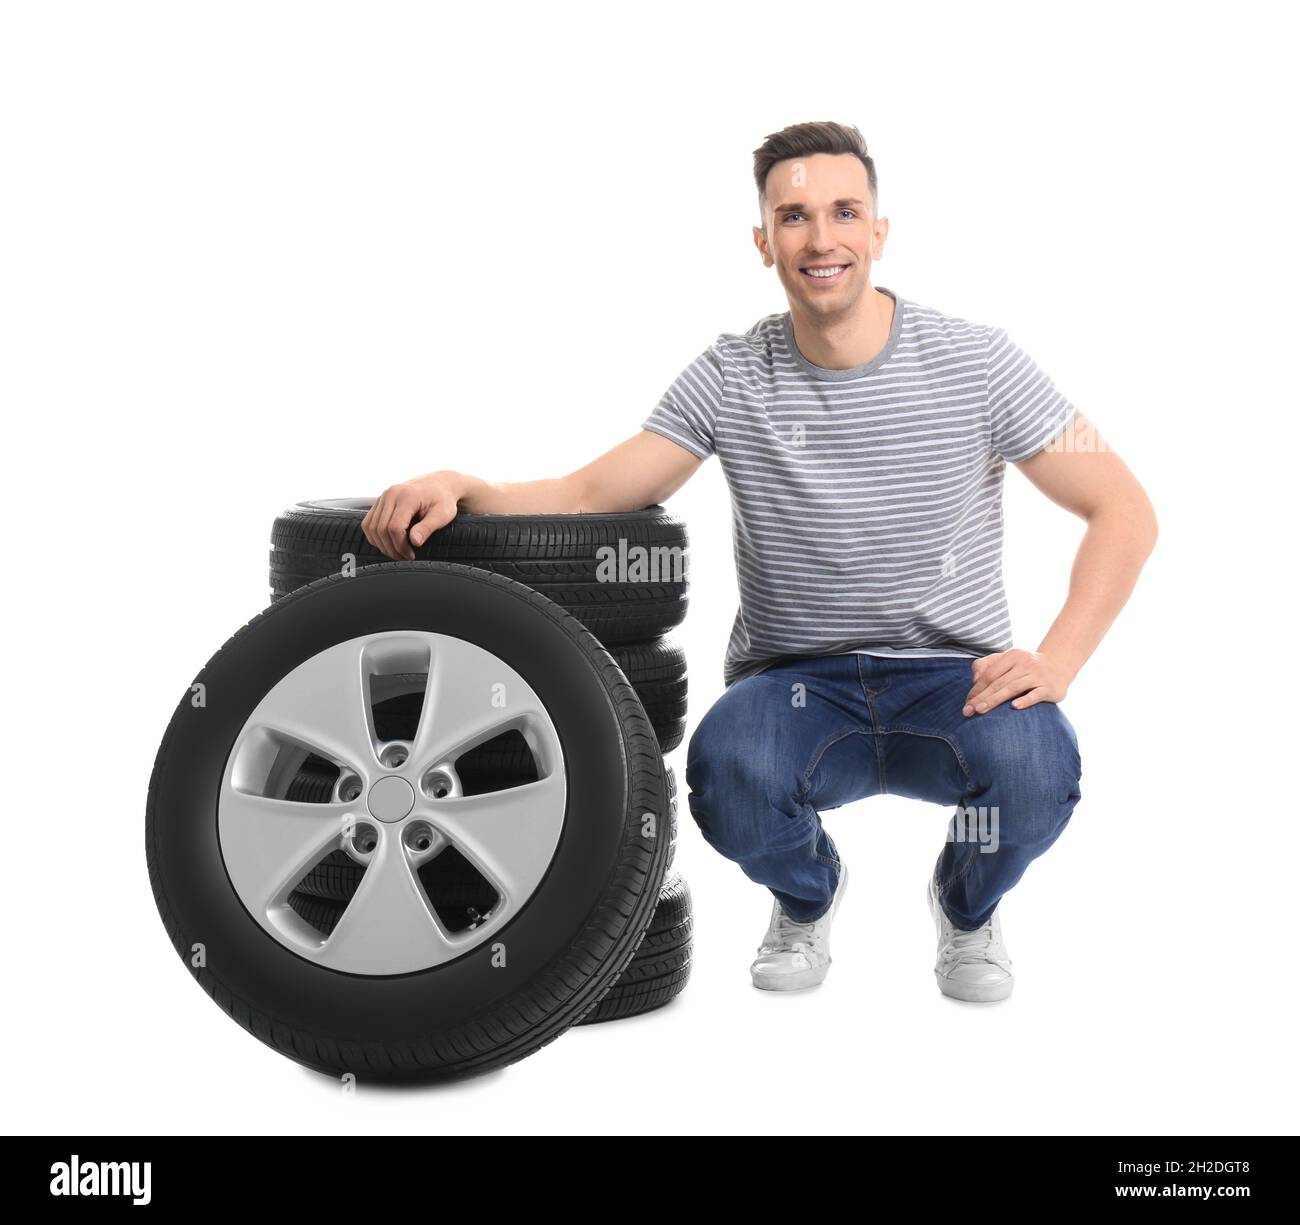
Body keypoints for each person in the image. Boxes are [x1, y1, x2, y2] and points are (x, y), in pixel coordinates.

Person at [361, 120, 1158, 1003]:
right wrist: (468, 485)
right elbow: (594, 490)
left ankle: (966, 912)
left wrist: (1060, 658)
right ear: (763, 241)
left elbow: (1122, 508)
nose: (822, 239)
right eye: (795, 216)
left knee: (1038, 768)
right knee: (726, 772)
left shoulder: (981, 361)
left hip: (955, 679)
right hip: (799, 686)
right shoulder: (733, 374)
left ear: (879, 233)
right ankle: (807, 896)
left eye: (845, 212)